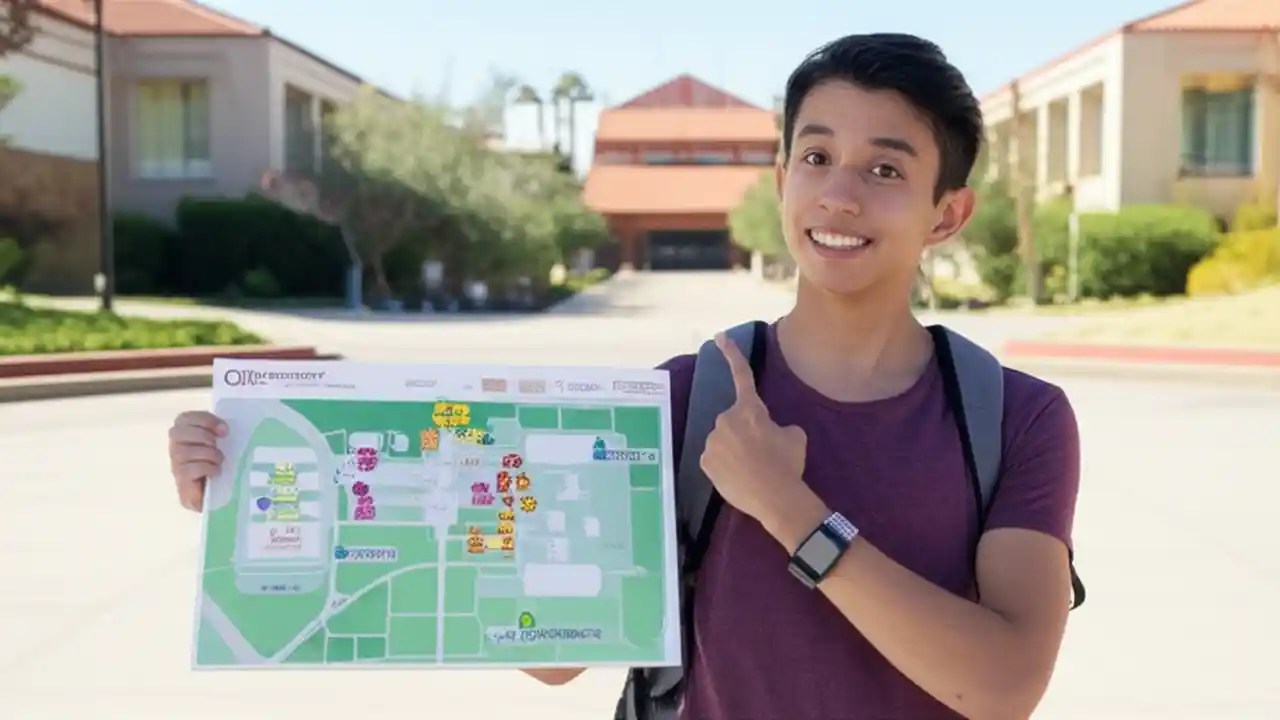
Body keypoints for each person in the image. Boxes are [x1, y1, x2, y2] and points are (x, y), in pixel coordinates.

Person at [169, 32, 1081, 720]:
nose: (839, 194)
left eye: (886, 167)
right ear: (780, 179)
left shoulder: (1014, 419)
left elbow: (1005, 684)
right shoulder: (680, 403)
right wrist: (262, 492)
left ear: (948, 212)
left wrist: (791, 512)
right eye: (816, 156)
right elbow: (554, 654)